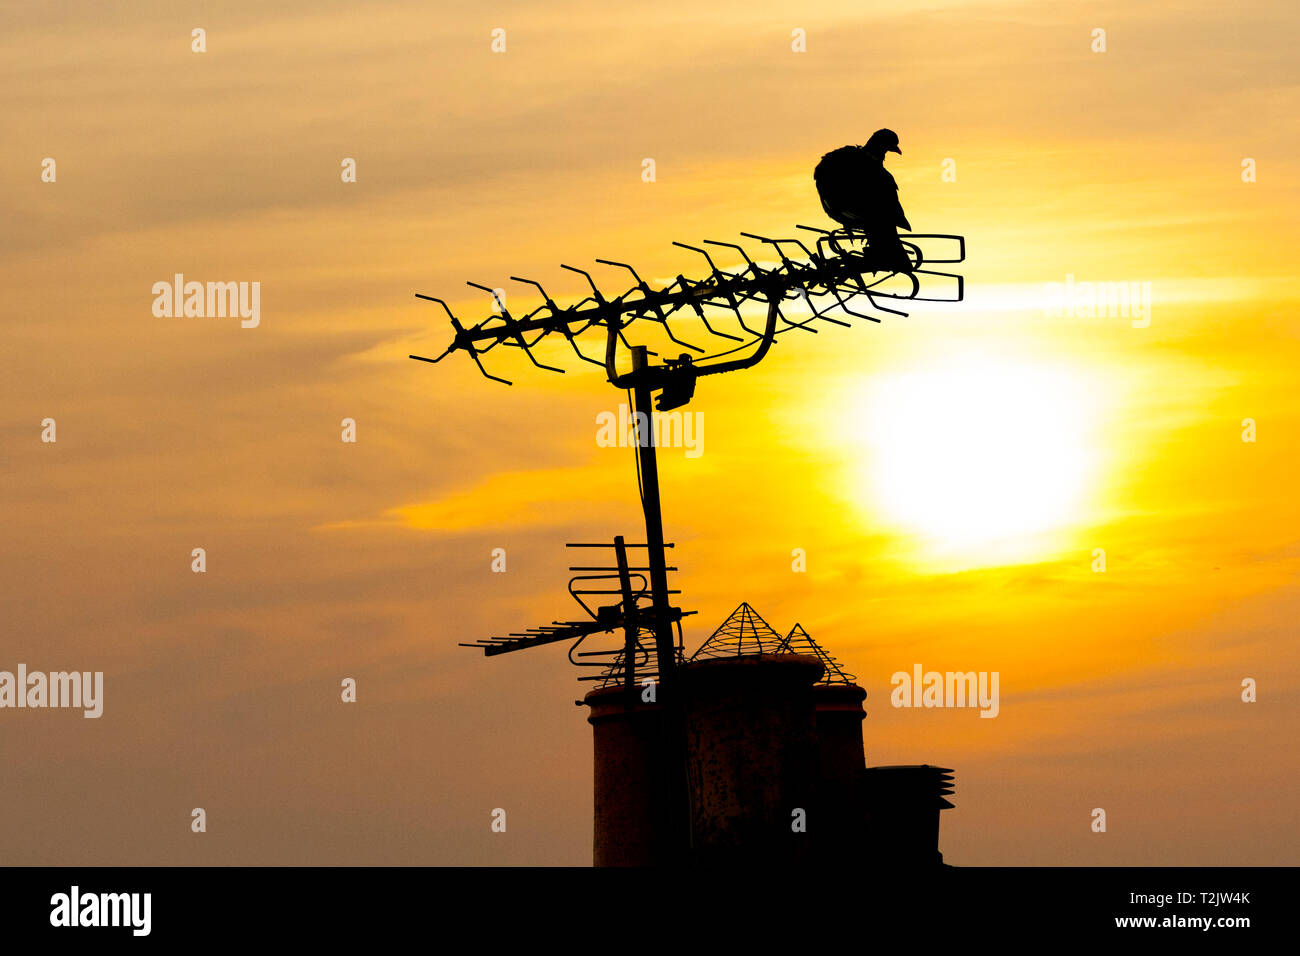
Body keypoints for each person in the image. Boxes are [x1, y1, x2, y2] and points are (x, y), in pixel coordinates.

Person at [814, 129, 914, 272]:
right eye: (890, 145)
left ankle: (883, 251)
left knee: (878, 227)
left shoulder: (877, 173)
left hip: (864, 216)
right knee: (880, 228)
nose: (896, 149)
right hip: (871, 217)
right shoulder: (840, 165)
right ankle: (888, 253)